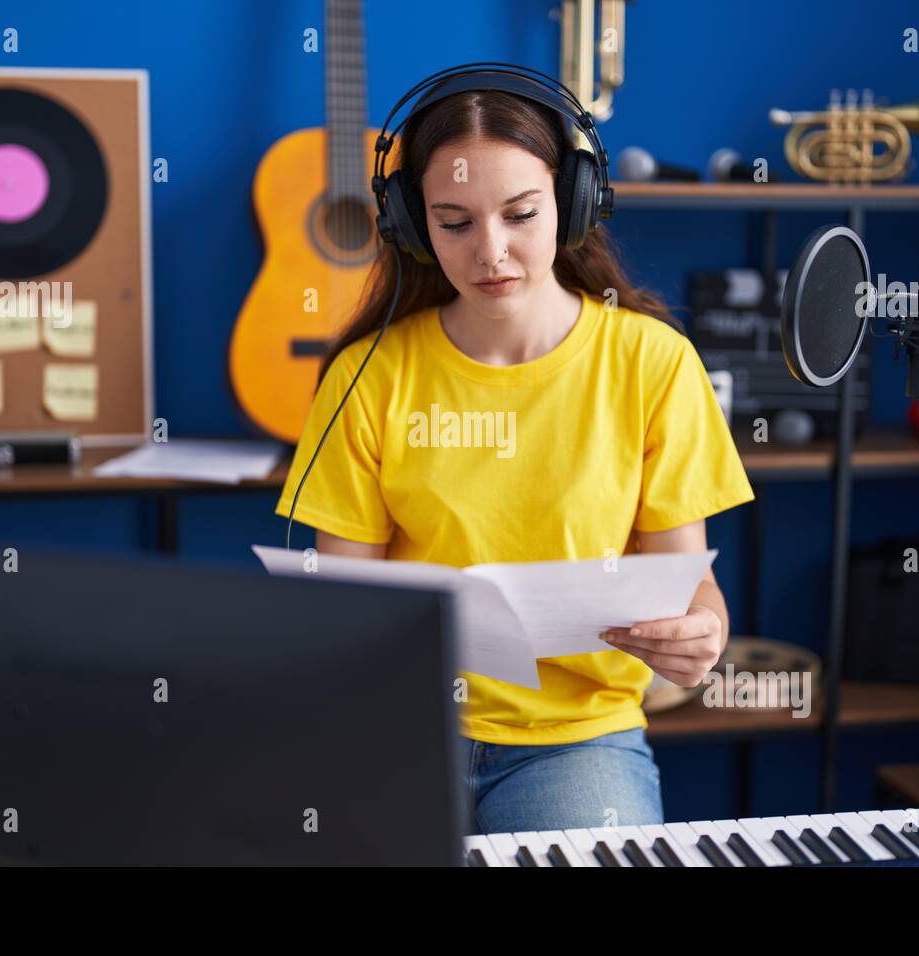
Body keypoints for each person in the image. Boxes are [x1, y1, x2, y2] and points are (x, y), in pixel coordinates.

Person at [274, 82, 755, 835]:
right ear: (412, 224)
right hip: (399, 729)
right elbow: (348, 608)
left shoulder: (653, 363)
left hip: (577, 739)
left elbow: (692, 585)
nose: (490, 252)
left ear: (573, 202)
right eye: (454, 222)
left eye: (521, 214)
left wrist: (703, 635)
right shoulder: (368, 375)